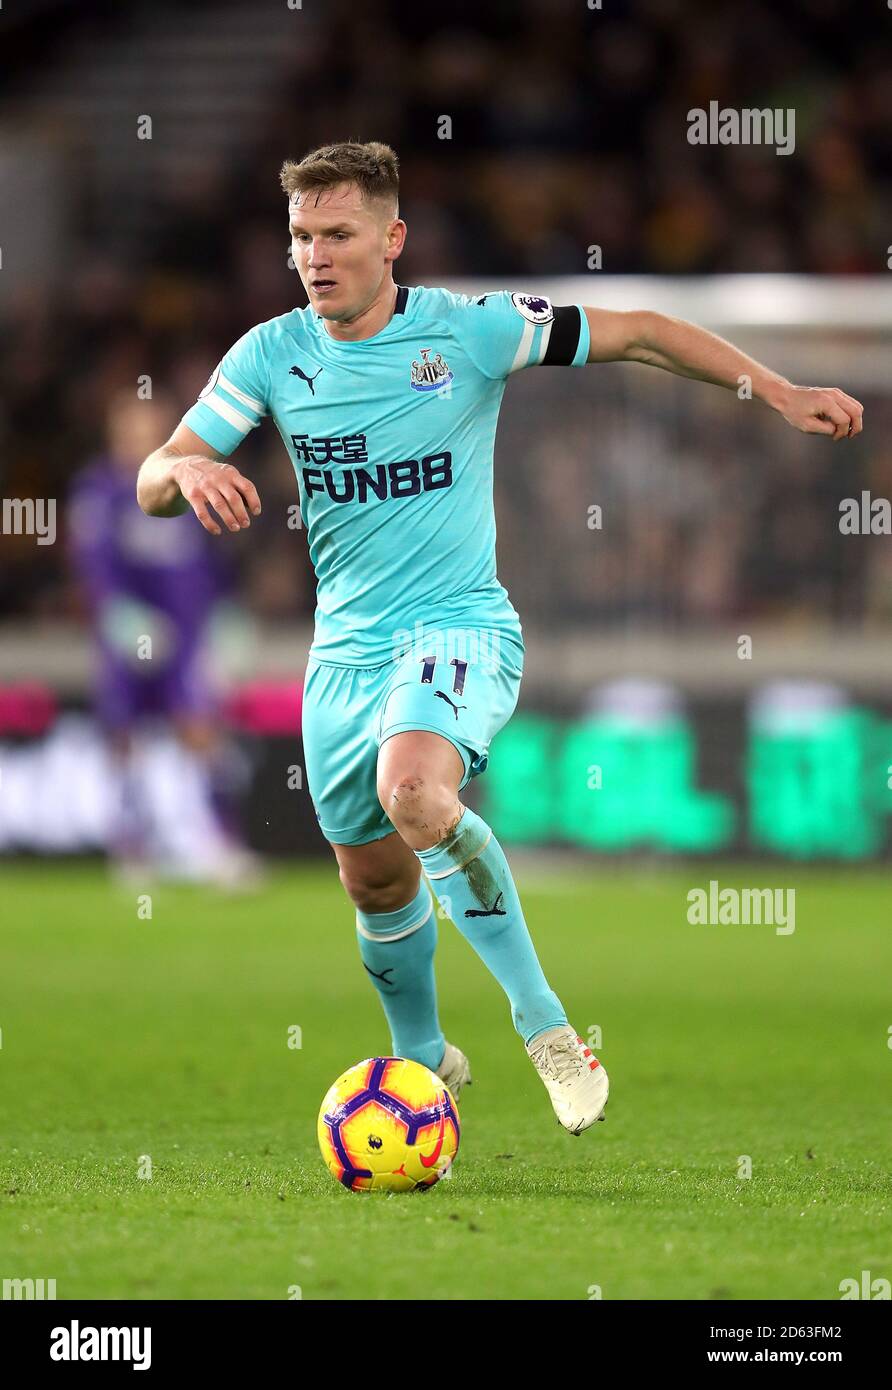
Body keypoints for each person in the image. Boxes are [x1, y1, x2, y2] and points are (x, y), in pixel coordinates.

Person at [136, 141, 862, 1135]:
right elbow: (154, 475)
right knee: (373, 878)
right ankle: (423, 1060)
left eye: (338, 234)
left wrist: (776, 391)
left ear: (392, 240)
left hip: (458, 627)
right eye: (301, 236)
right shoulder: (269, 353)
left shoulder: (469, 333)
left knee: (415, 792)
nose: (315, 255)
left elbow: (641, 331)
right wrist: (181, 475)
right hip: (341, 661)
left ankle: (549, 1031)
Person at [71, 389, 253, 886]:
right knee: (125, 738)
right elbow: (93, 566)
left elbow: (211, 562)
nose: (143, 442)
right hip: (128, 636)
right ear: (117, 436)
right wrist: (117, 615)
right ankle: (133, 847)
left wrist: (224, 612)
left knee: (201, 732)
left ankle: (219, 842)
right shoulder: (100, 491)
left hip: (186, 637)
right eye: (135, 433)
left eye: (153, 434)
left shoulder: (188, 486)